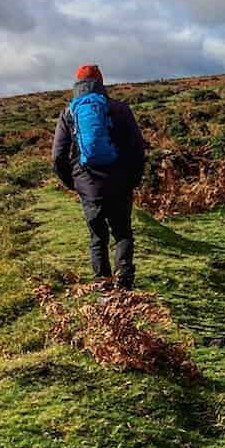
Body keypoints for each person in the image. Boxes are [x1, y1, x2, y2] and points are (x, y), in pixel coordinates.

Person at [51, 64, 146, 290]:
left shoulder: (69, 112)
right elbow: (137, 149)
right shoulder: (120, 109)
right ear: (101, 82)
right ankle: (124, 281)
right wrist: (133, 179)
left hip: (88, 183)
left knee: (97, 237)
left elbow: (57, 157)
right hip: (120, 181)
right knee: (122, 232)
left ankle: (103, 285)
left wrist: (73, 183)